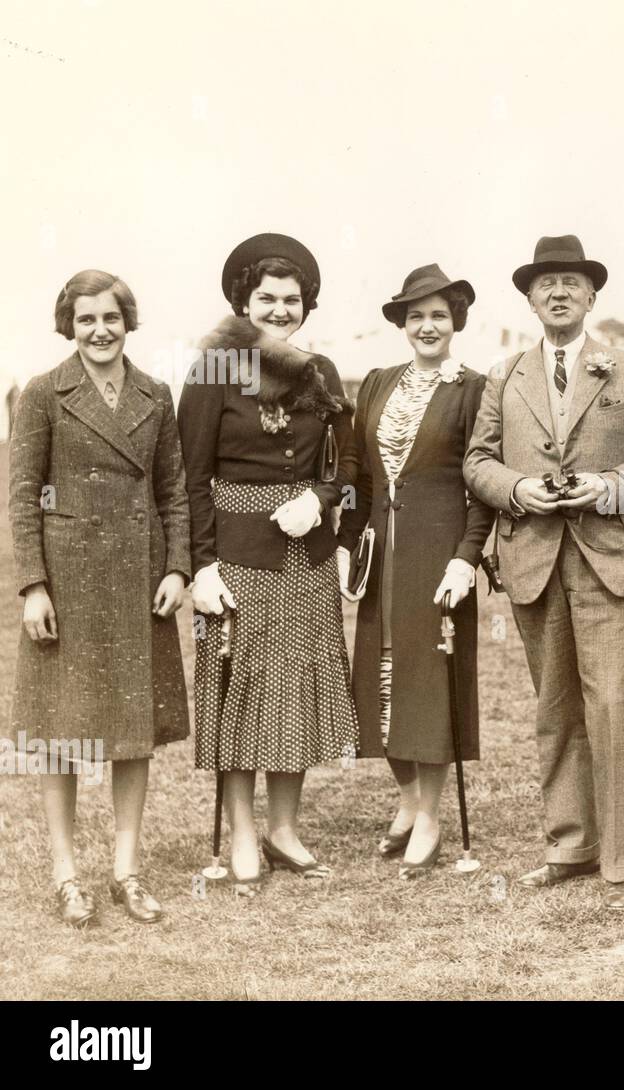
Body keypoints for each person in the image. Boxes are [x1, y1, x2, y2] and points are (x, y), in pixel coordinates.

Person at [464, 234, 624, 911]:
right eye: (545, 284)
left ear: (592, 297)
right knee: (555, 709)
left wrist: (606, 485)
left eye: (571, 283)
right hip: (532, 561)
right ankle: (569, 845)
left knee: (613, 709)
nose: (558, 293)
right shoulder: (503, 376)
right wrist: (518, 491)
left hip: (610, 561)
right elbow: (477, 463)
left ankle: (618, 864)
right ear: (530, 299)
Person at [8, 270, 190, 926]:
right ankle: (64, 875)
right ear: (70, 325)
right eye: (86, 319)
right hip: (67, 585)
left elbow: (173, 488)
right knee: (59, 733)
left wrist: (177, 570)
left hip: (139, 584)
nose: (100, 330)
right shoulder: (42, 394)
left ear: (127, 320)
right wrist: (33, 586)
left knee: (131, 734)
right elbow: (23, 492)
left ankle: (126, 871)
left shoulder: (155, 394)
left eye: (111, 317)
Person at [177, 232, 357, 895]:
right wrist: (200, 566)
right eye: (267, 299)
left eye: (292, 300)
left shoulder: (321, 371)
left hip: (305, 554)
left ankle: (283, 829)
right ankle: (244, 834)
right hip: (236, 557)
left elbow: (345, 462)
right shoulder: (212, 370)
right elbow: (190, 478)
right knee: (242, 693)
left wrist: (320, 496)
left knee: (298, 688)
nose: (281, 310)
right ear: (242, 302)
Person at [337, 264, 494, 879]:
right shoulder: (376, 383)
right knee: (377, 682)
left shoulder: (474, 388)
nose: (427, 326)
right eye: (415, 316)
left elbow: (482, 484)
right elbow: (358, 471)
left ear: (455, 320)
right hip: (383, 556)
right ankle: (406, 801)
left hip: (439, 555)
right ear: (402, 324)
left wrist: (466, 556)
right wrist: (350, 539)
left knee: (430, 683)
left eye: (438, 315)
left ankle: (430, 818)